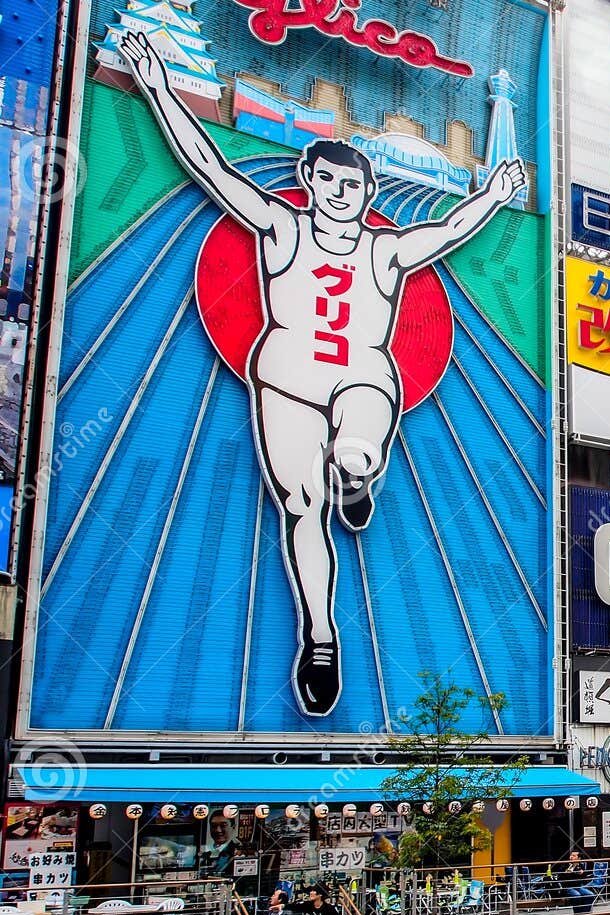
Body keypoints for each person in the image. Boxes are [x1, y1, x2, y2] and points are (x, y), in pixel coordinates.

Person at [119, 30, 525, 716]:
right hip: (285, 379)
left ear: (369, 190)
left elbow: (452, 229)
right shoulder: (280, 228)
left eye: (353, 183)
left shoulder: (387, 248)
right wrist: (158, 84)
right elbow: (212, 168)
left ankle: (359, 473)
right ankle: (320, 633)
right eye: (329, 180)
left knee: (357, 443)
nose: (340, 192)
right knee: (302, 507)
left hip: (363, 375)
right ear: (310, 181)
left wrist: (492, 193)